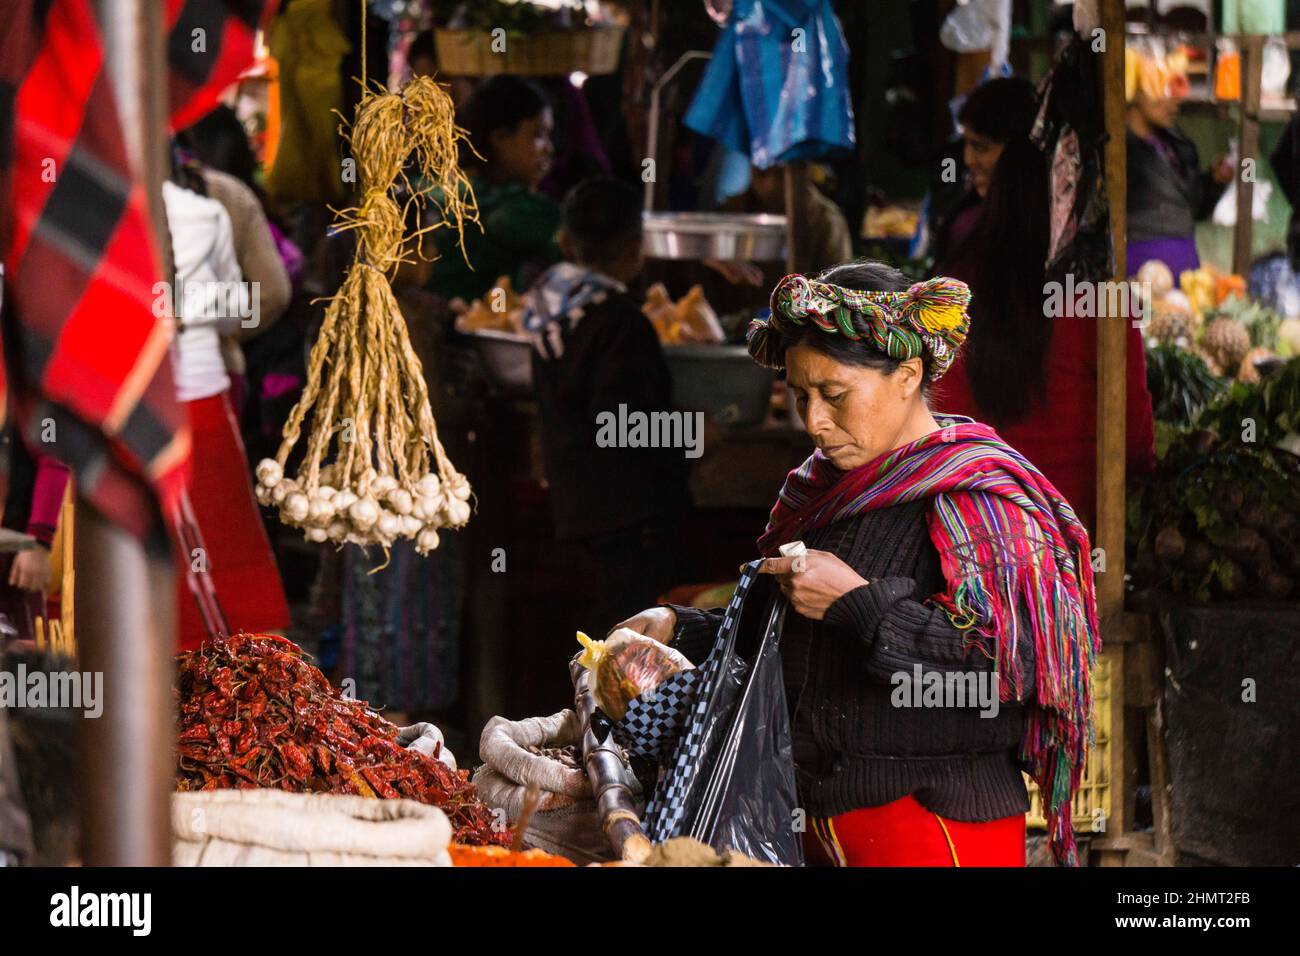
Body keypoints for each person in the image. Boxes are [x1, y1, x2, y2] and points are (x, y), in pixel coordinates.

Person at [616, 260, 1101, 867]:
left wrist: (861, 605)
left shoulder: (980, 504)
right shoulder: (824, 493)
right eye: (799, 395)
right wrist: (681, 627)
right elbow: (790, 637)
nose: (815, 421)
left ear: (907, 374)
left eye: (835, 395)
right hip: (814, 825)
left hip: (933, 833)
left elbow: (1011, 666)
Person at [933, 77, 1154, 529]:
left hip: (979, 526)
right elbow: (1134, 439)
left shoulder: (961, 278)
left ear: (1017, 158)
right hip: (1078, 531)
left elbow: (939, 421)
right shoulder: (1100, 287)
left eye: (982, 146)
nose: (968, 159)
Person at [524, 177, 690, 638]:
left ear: (565, 240)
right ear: (637, 246)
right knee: (627, 642)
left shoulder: (550, 308)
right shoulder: (620, 321)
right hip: (626, 515)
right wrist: (696, 433)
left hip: (576, 504)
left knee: (597, 635)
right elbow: (621, 425)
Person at [163, 170, 290, 650]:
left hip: (198, 391)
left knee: (208, 531)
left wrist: (182, 307)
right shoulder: (223, 197)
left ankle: (217, 665)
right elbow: (264, 297)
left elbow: (260, 297)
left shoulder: (215, 203)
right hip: (204, 384)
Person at [425, 76, 561, 302]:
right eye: (537, 135)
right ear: (499, 138)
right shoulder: (515, 209)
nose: (549, 149)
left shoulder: (431, 187)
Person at [1126, 46, 1232, 277]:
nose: (1176, 99)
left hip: (1184, 277)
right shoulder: (1118, 150)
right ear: (1135, 91)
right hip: (1138, 281)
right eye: (1164, 86)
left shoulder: (1176, 145)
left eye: (1178, 86)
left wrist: (1213, 181)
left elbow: (1190, 208)